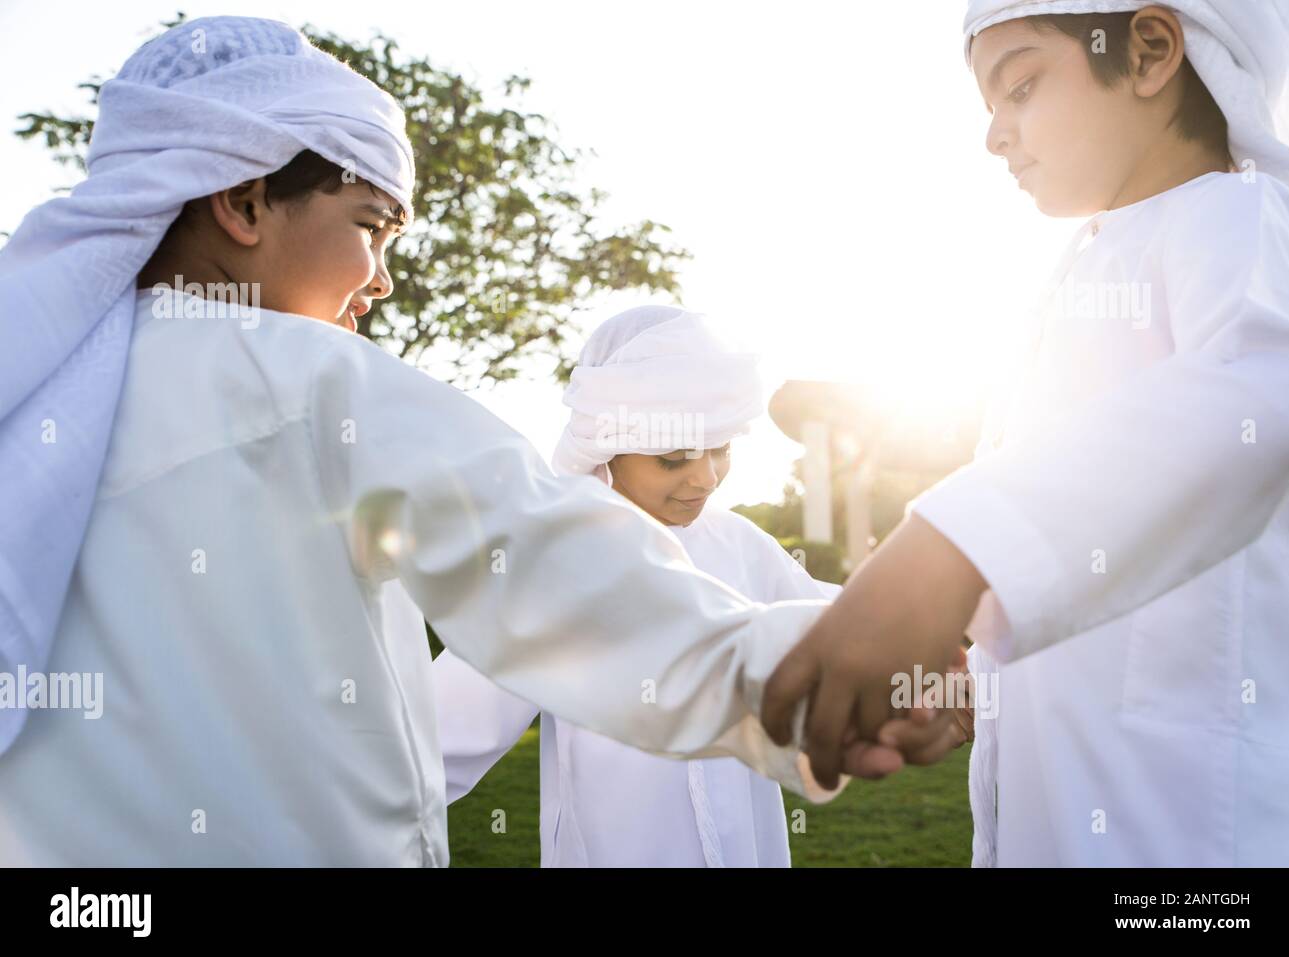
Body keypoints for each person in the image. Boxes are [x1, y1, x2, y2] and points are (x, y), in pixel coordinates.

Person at [0, 17, 938, 865]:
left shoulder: (36, 422)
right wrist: (822, 690)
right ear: (244, 203)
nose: (383, 280)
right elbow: (543, 560)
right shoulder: (312, 382)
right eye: (372, 227)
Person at [763, 0, 1289, 866]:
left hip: (1193, 840)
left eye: (1019, 86)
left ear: (1152, 49)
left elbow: (1259, 395)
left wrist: (949, 552)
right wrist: (976, 668)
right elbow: (1078, 559)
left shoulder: (1237, 220)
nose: (995, 137)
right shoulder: (1071, 283)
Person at [430, 306, 846, 866]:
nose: (705, 478)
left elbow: (839, 625)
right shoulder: (556, 568)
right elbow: (432, 739)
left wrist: (937, 652)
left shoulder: (738, 543)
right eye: (673, 459)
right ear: (608, 450)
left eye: (721, 448)